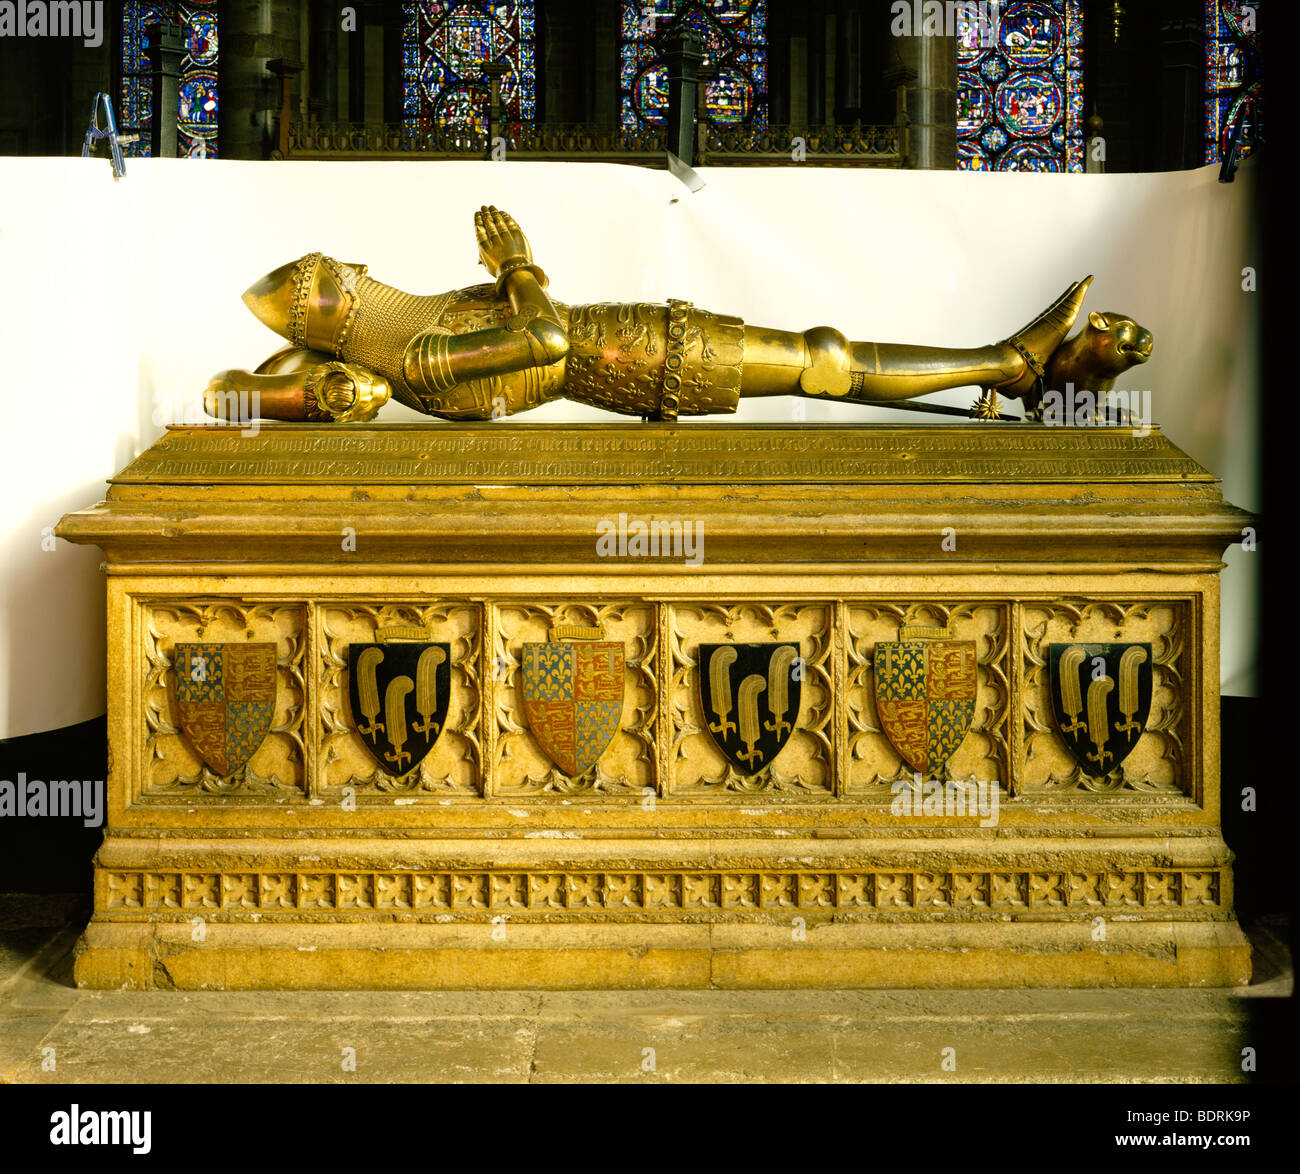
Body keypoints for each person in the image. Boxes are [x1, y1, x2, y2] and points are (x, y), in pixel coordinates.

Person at [206, 206, 1091, 424]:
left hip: (636, 342)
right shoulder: (418, 354)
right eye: (329, 273)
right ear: (338, 300)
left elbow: (228, 391)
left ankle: (1007, 364)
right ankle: (1008, 364)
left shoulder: (397, 345)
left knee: (826, 358)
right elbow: (545, 336)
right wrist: (514, 258)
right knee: (826, 358)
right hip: (635, 360)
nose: (353, 265)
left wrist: (305, 388)